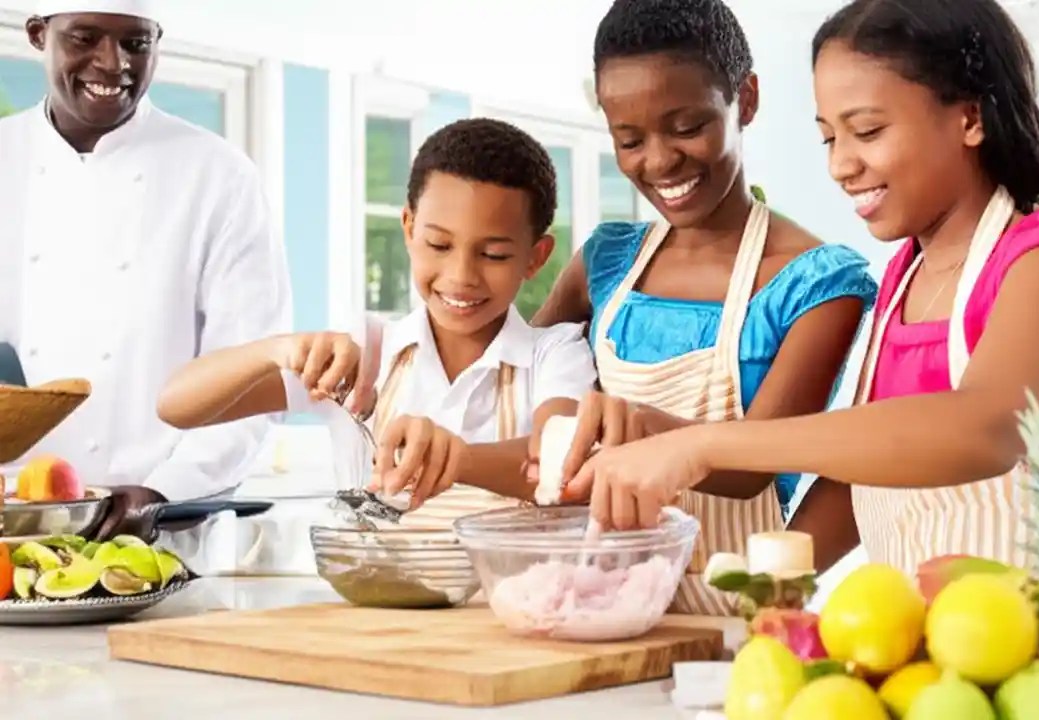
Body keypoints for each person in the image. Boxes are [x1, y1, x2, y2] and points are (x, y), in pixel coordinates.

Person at [564, 0, 1039, 579]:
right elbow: (863, 469)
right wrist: (756, 589)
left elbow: (988, 428)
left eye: (867, 131)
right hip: (916, 642)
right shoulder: (905, 275)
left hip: (1037, 640)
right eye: (830, 138)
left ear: (970, 118)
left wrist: (701, 446)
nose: (841, 166)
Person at [521, 0, 879, 615]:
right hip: (599, 600)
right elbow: (525, 379)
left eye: (687, 127)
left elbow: (753, 467)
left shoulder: (815, 283)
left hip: (734, 606)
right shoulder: (604, 262)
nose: (658, 161)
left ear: (745, 99)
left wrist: (637, 424)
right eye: (629, 140)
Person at [157, 118, 599, 517]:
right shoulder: (365, 359)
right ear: (408, 229)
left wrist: (458, 458)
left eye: (494, 254)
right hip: (374, 598)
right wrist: (277, 350)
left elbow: (560, 465)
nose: (461, 276)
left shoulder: (555, 354)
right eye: (439, 246)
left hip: (507, 601)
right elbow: (176, 406)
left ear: (535, 258)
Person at [0, 0, 292, 540]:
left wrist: (166, 491)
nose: (113, 64)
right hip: (10, 520)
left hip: (159, 528)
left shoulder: (219, 176)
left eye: (136, 43)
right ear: (40, 35)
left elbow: (254, 369)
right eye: (85, 38)